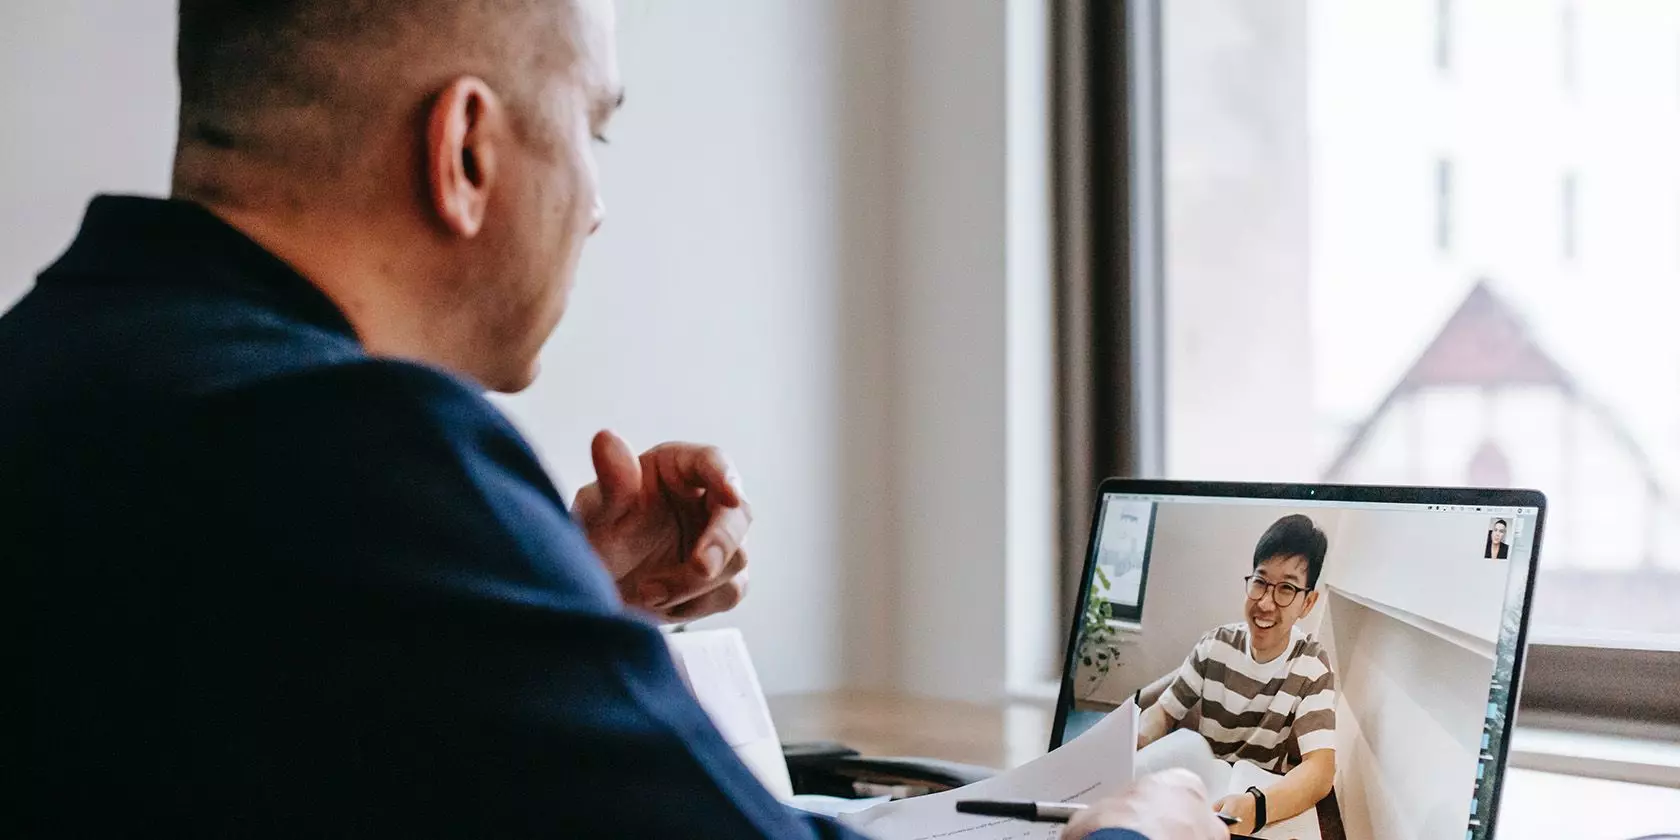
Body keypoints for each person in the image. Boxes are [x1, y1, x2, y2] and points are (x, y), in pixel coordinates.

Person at [1, 1, 1221, 838]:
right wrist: (1135, 824)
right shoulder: (365, 447)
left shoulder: (59, 369)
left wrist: (543, 604)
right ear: (466, 151)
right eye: (595, 126)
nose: (597, 205)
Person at [1135, 515, 1338, 835]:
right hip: (1199, 797)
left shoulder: (1311, 664)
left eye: (1286, 588)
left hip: (1261, 810)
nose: (1266, 603)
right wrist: (1139, 739)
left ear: (1307, 602)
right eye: (1260, 582)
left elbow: (1321, 770)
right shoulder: (1215, 644)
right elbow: (1163, 711)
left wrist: (1255, 807)